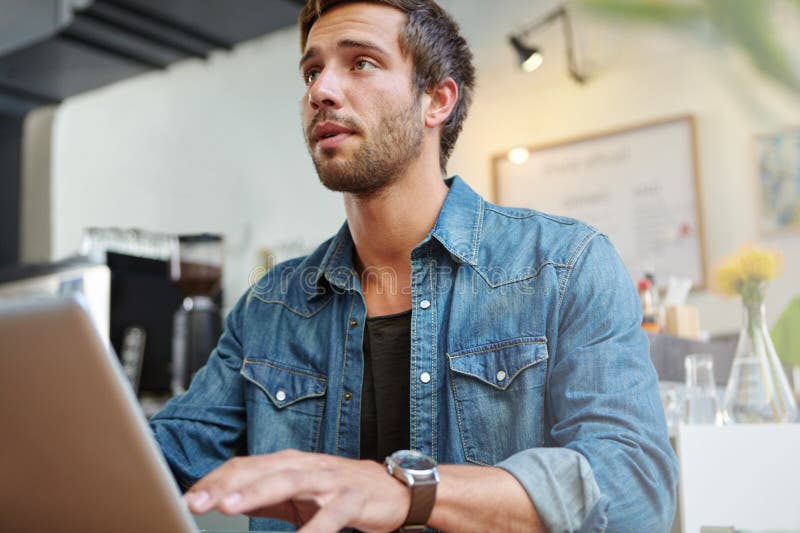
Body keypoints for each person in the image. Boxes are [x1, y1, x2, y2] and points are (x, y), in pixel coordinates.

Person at [150, 1, 678, 531]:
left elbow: (635, 488)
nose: (320, 91)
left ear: (437, 100)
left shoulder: (564, 268)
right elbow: (163, 457)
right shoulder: (270, 307)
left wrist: (408, 492)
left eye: (361, 63)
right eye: (313, 71)